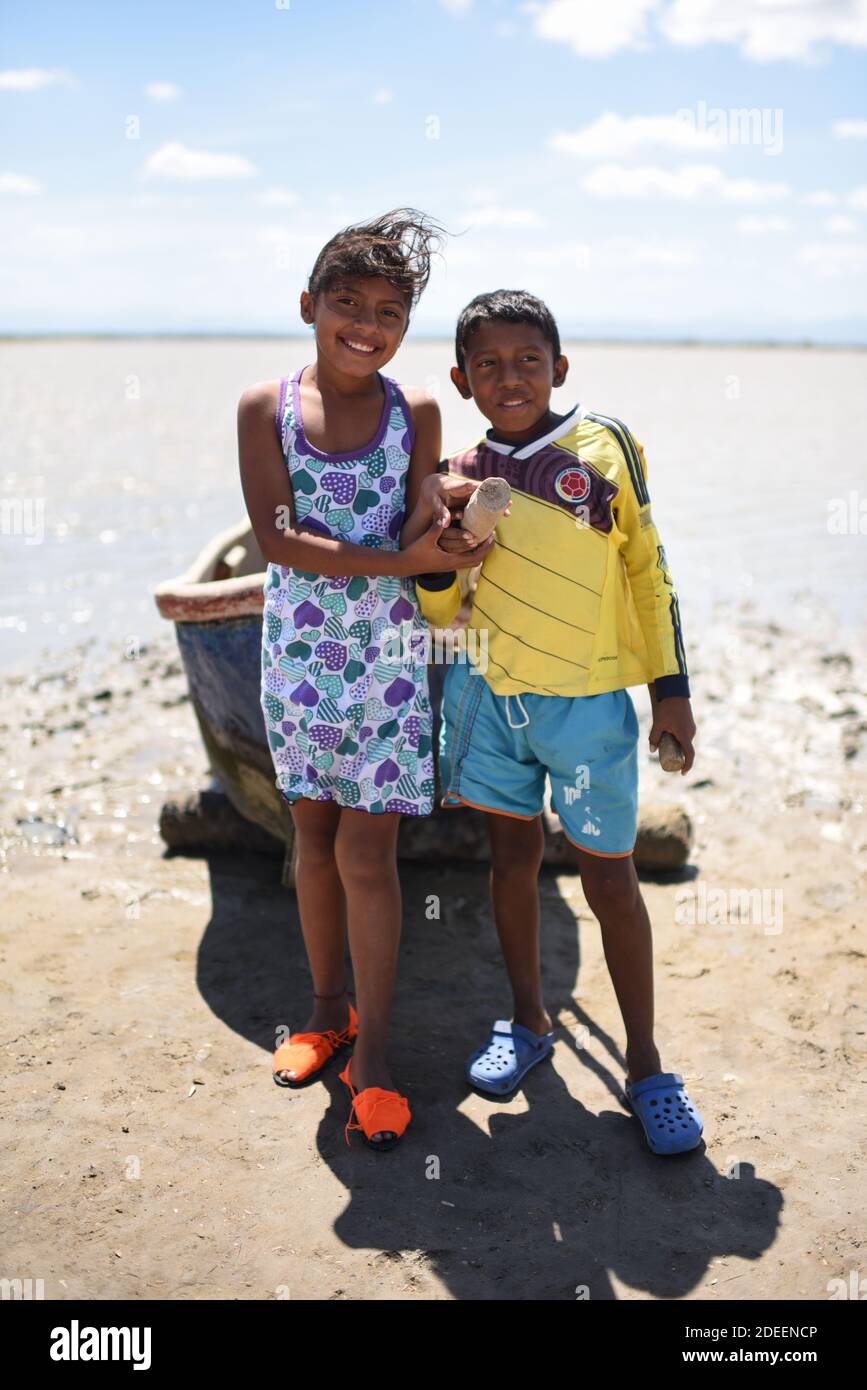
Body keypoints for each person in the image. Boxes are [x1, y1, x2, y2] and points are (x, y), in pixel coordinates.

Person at [415, 289, 704, 1155]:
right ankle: (527, 1021)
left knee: (610, 879)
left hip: (586, 708)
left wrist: (671, 689)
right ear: (462, 379)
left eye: (529, 361)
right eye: (490, 366)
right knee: (512, 859)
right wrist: (448, 556)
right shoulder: (456, 473)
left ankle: (647, 1065)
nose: (512, 378)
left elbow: (648, 571)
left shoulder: (603, 446)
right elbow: (437, 614)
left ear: (559, 368)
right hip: (486, 699)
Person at [237, 210, 491, 1150]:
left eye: (389, 310)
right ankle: (324, 1014)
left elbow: (424, 515)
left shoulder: (413, 413)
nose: (366, 323)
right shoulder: (262, 407)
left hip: (385, 662)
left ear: (403, 328)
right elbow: (276, 540)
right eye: (347, 302)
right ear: (309, 306)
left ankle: (374, 1054)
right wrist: (399, 559)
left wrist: (449, 531)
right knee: (309, 838)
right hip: (298, 657)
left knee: (366, 857)